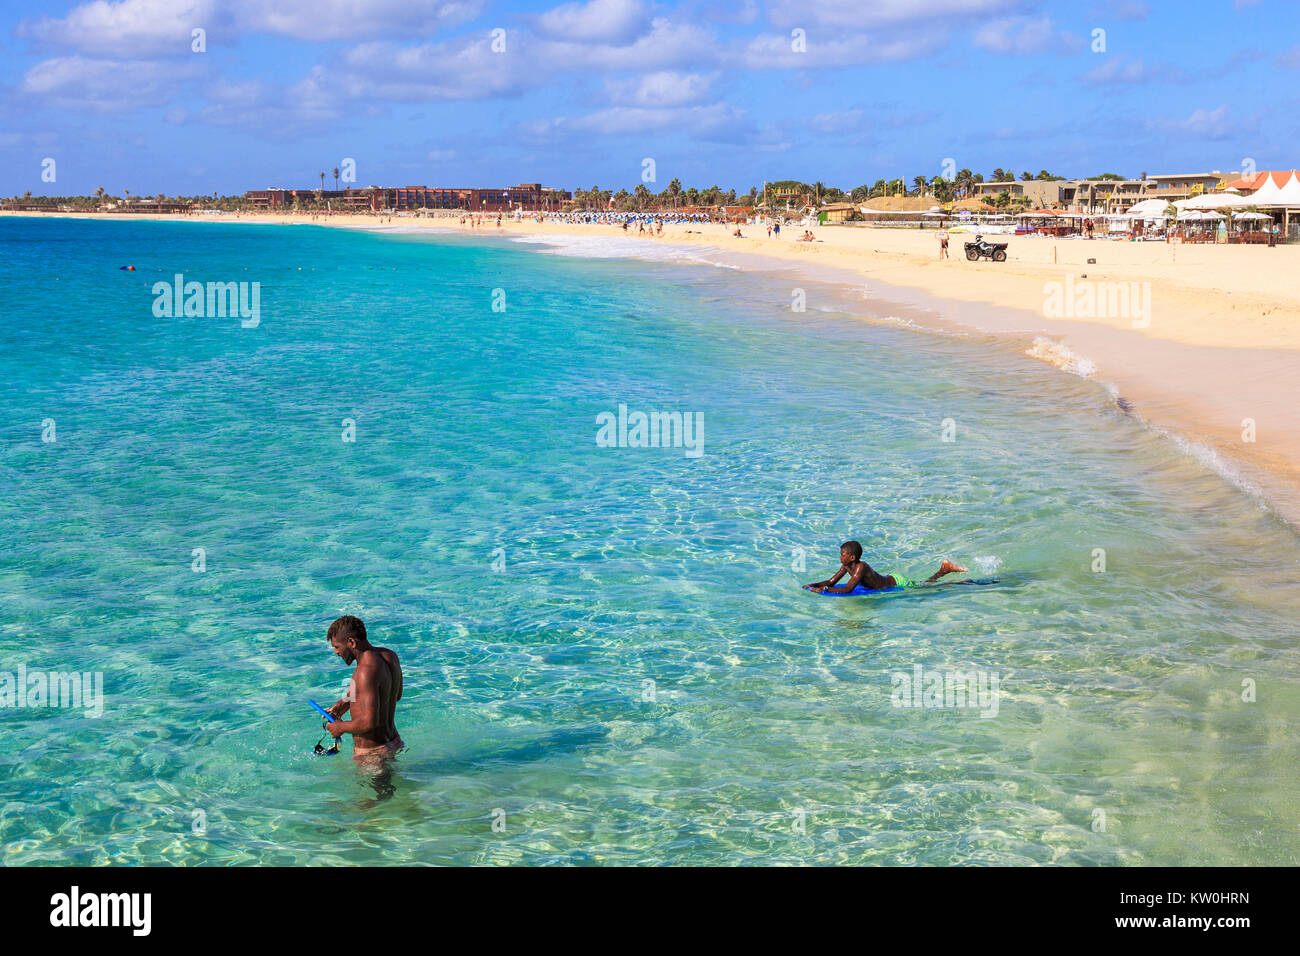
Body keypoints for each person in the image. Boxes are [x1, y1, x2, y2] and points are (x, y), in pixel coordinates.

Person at [323, 615, 404, 761]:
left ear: (351, 642)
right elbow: (394, 695)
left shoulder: (364, 671)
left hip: (373, 755)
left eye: (337, 647)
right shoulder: (390, 656)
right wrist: (343, 704)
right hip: (393, 741)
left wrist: (339, 728)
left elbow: (369, 722)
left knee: (378, 785)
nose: (336, 652)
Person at [804, 541, 967, 594]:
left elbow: (847, 589)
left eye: (842, 554)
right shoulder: (846, 566)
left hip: (896, 582)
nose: (840, 557)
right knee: (924, 584)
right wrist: (814, 584)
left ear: (852, 557)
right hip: (891, 578)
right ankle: (944, 570)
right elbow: (832, 581)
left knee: (926, 588)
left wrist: (824, 590)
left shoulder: (861, 567)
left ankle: (946, 572)